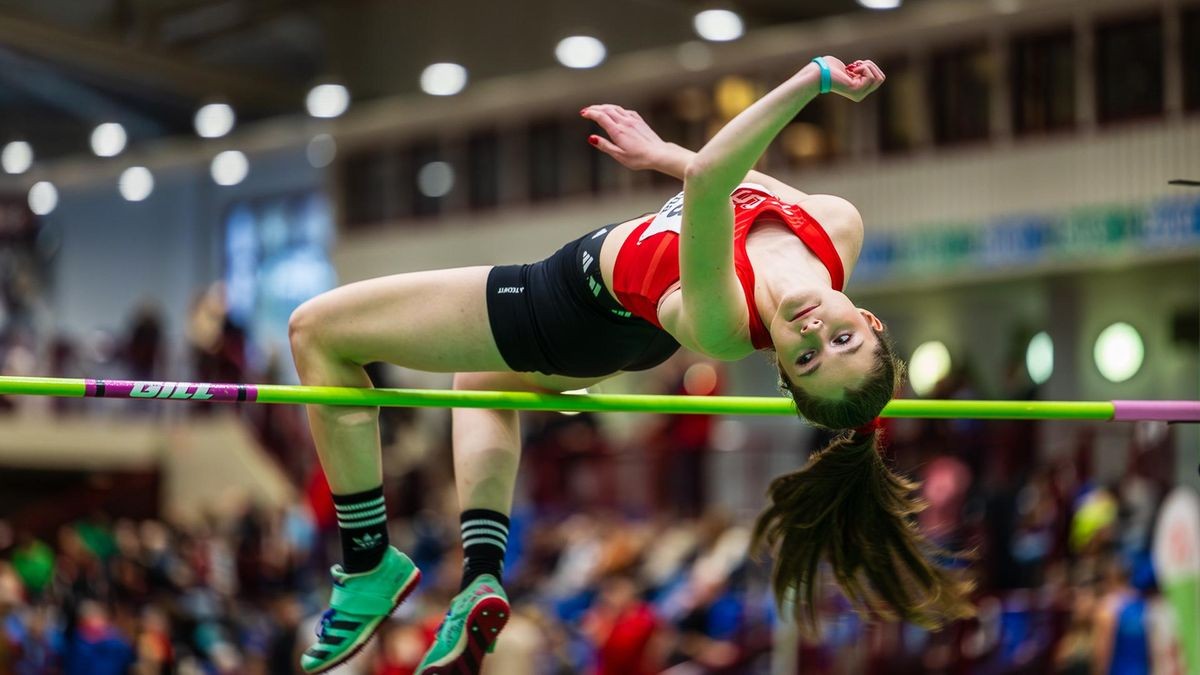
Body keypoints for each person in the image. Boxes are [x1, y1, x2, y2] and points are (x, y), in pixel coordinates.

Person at [288, 55, 973, 675]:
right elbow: (751, 188)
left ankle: (367, 560)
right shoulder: (837, 225)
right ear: (871, 320)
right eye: (842, 341)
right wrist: (661, 152)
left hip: (564, 307)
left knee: (318, 331)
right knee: (484, 384)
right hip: (619, 322)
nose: (815, 333)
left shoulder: (726, 322)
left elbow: (713, 180)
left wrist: (813, 79)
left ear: (785, 374)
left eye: (805, 358)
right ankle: (481, 574)